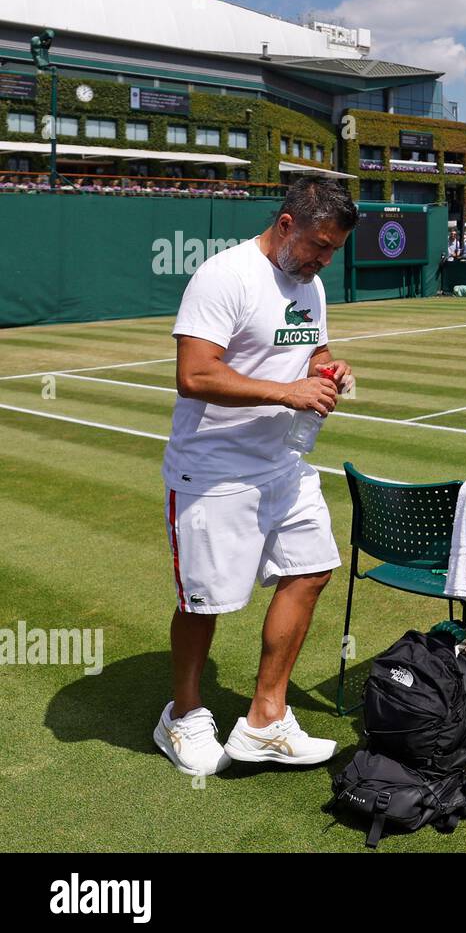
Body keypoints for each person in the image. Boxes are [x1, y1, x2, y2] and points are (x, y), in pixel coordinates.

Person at [155, 177, 360, 777]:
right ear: (287, 222)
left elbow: (311, 350)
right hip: (214, 468)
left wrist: (328, 369)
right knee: (204, 600)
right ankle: (183, 716)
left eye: (334, 251)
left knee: (312, 569)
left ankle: (266, 720)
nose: (324, 259)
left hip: (284, 464)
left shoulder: (310, 284)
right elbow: (194, 375)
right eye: (319, 244)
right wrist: (287, 391)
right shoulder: (225, 276)